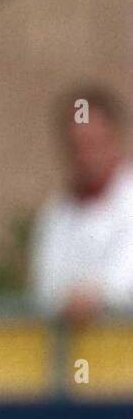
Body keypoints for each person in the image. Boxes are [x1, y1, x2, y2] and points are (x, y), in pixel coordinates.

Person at [29, 86, 133, 324]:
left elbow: (122, 286)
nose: (85, 157)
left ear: (115, 139)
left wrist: (93, 299)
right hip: (70, 357)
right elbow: (45, 290)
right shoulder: (54, 214)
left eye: (93, 144)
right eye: (76, 146)